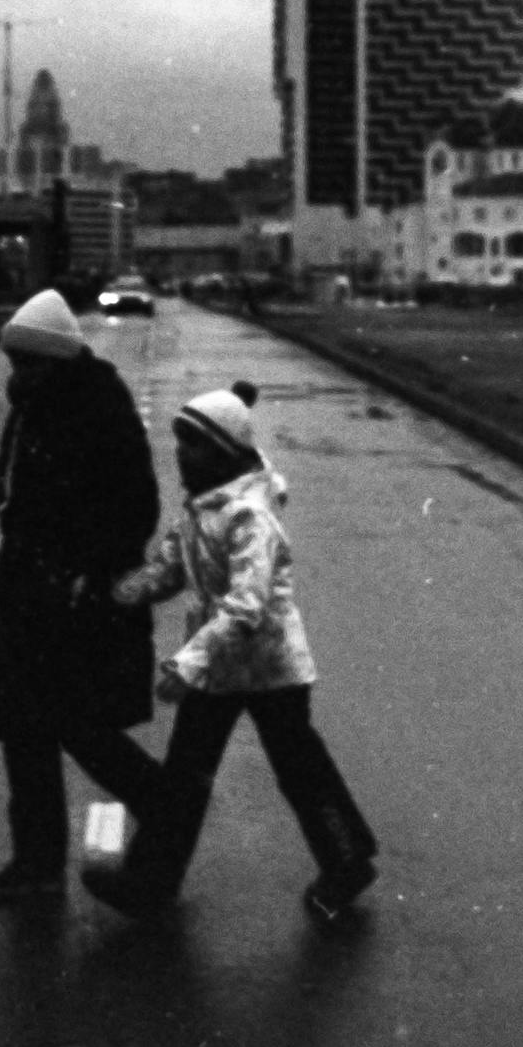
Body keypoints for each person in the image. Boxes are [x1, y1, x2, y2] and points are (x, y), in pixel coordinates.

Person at [87, 381, 379, 925]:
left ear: (224, 452)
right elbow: (171, 568)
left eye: (193, 444)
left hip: (269, 669)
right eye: (179, 443)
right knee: (185, 776)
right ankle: (151, 880)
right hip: (221, 668)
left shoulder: (250, 516)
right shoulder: (201, 510)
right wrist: (128, 588)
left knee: (300, 771)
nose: (181, 454)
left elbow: (247, 606)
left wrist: (186, 663)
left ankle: (348, 862)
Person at [0, 286, 176, 906]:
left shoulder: (94, 404)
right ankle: (37, 863)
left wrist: (87, 570)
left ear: (51, 359)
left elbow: (135, 504)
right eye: (14, 361)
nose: (17, 372)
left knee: (73, 725)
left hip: (72, 597)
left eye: (26, 361)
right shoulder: (39, 401)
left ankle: (160, 805)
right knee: (25, 728)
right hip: (29, 592)